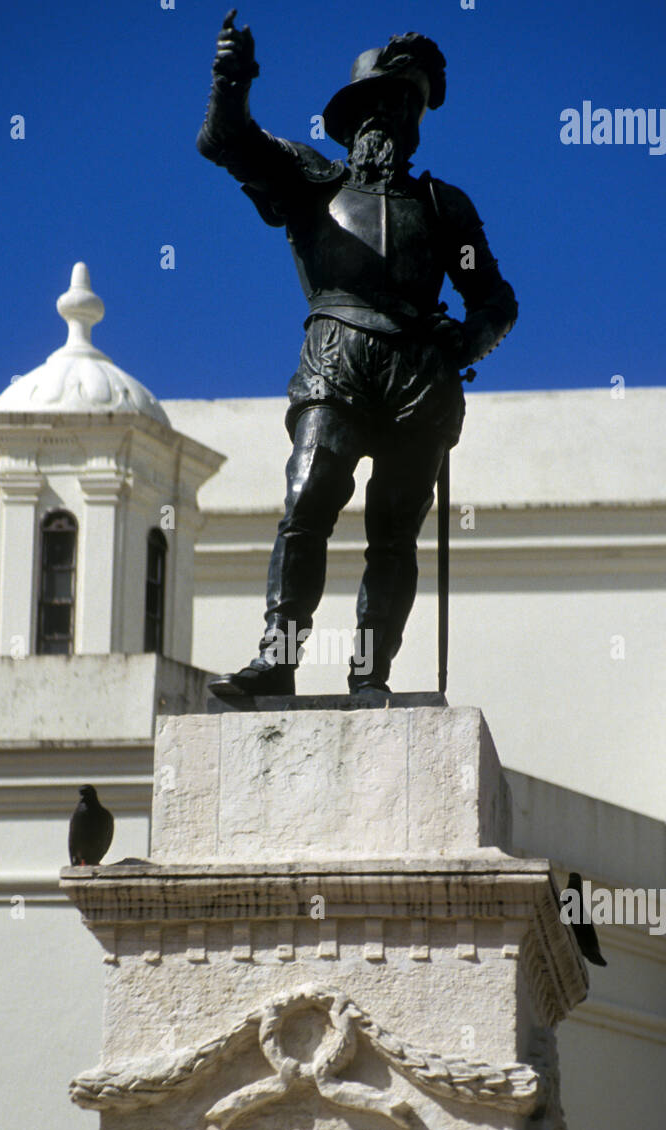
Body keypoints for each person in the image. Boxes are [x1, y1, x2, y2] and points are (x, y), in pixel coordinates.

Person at [197, 11, 517, 697]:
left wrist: (468, 338)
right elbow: (227, 141)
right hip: (335, 359)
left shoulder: (443, 209)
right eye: (377, 106)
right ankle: (278, 658)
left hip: (419, 380)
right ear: (351, 118)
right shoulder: (309, 184)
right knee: (307, 499)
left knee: (394, 536)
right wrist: (232, 77)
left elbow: (494, 300)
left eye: (403, 108)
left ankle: (370, 674)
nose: (388, 121)